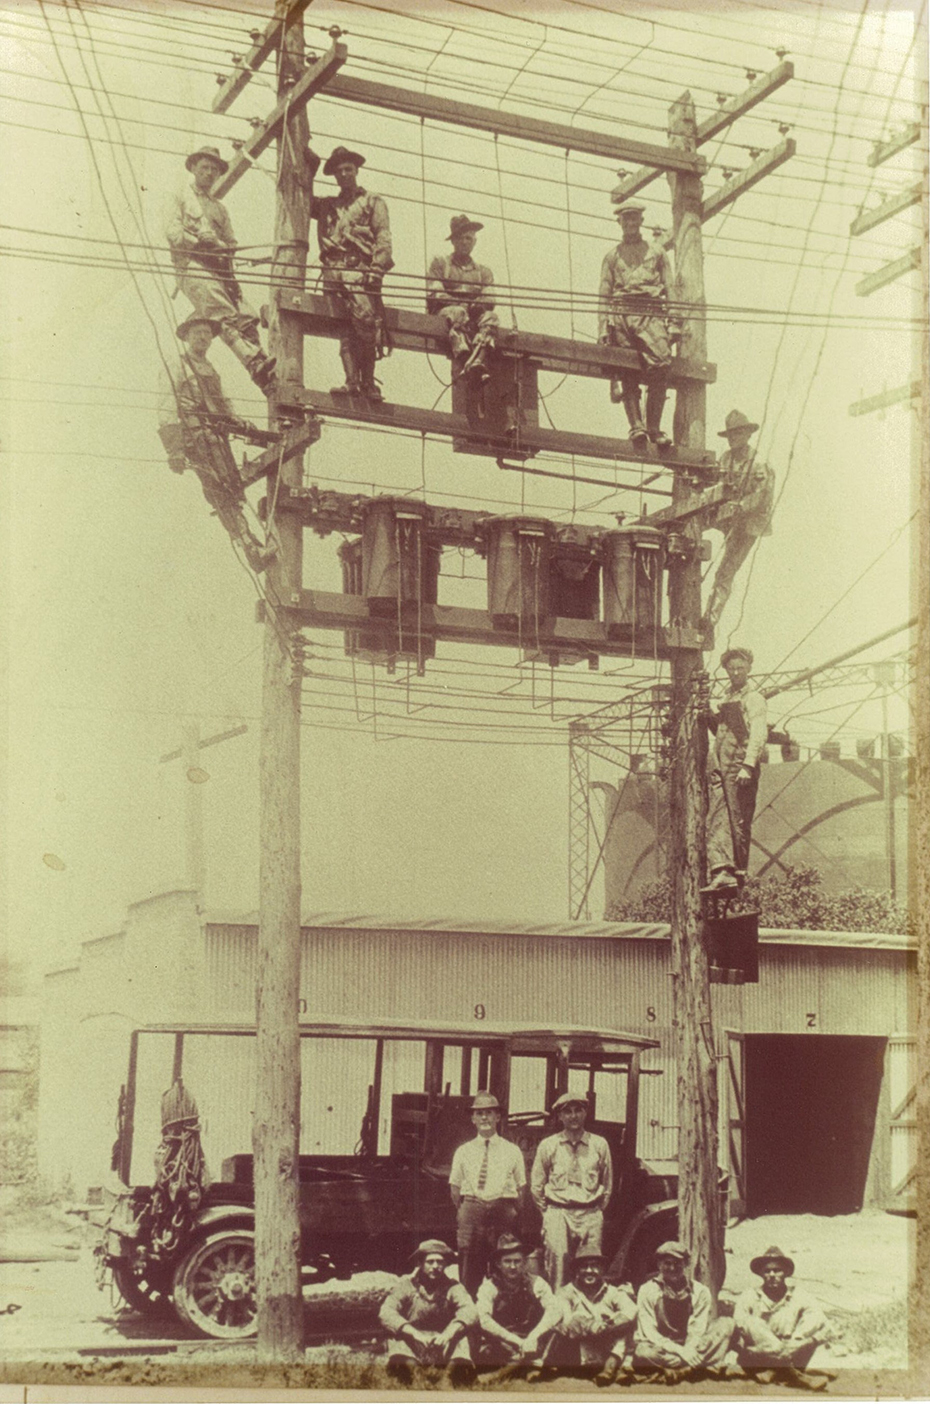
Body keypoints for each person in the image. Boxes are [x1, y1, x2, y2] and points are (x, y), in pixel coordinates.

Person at [158, 316, 275, 573]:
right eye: (197, 333)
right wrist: (174, 449)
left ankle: (252, 547)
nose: (202, 337)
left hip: (217, 438)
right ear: (187, 337)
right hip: (196, 437)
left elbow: (223, 402)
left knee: (231, 489)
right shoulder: (178, 364)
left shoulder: (211, 368)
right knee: (220, 491)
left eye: (207, 334)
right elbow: (166, 404)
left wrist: (240, 422)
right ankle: (251, 547)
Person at [166, 146, 275, 393]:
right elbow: (173, 233)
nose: (209, 173)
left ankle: (265, 375)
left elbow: (231, 242)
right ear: (193, 168)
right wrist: (202, 243)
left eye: (214, 169)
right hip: (191, 266)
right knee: (221, 313)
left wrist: (224, 249)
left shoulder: (219, 208)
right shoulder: (180, 197)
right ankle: (253, 361)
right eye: (205, 167)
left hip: (220, 270)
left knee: (246, 317)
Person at [304, 144, 393, 401]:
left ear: (356, 170)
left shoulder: (372, 201)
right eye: (339, 171)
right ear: (333, 175)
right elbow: (302, 198)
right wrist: (309, 168)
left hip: (358, 270)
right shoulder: (328, 205)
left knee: (365, 320)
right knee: (344, 327)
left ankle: (368, 382)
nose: (344, 174)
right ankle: (352, 381)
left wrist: (377, 268)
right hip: (333, 271)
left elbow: (383, 237)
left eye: (348, 169)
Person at [598, 200, 681, 453]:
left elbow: (670, 287)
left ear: (641, 222)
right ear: (619, 223)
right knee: (627, 371)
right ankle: (636, 425)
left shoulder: (656, 252)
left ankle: (653, 427)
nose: (630, 223)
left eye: (635, 218)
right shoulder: (612, 257)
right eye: (626, 219)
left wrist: (674, 322)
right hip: (621, 315)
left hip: (650, 314)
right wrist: (603, 328)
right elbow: (603, 294)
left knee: (661, 365)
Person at [702, 411, 776, 633]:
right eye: (730, 434)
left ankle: (710, 619)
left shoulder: (759, 463)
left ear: (747, 434)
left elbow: (763, 496)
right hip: (727, 517)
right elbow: (715, 481)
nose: (733, 438)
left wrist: (741, 506)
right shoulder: (726, 458)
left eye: (737, 433)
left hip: (748, 524)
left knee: (725, 572)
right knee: (689, 525)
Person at [530, 1092, 612, 1290]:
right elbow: (536, 1185)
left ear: (585, 1114)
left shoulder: (599, 1144)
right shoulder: (549, 1145)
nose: (573, 1116)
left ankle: (588, 1313)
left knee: (590, 1266)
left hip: (590, 1213)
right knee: (557, 1266)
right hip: (559, 1213)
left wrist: (596, 1209)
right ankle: (560, 1316)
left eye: (578, 1111)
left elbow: (607, 1183)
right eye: (568, 1112)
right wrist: (549, 1212)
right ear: (560, 1116)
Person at [448, 1091, 527, 1298]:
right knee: (469, 1267)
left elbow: (521, 1188)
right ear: (473, 1119)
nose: (484, 1118)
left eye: (489, 1113)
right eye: (479, 1113)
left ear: (498, 1117)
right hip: (472, 1211)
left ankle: (501, 1314)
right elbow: (455, 1189)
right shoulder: (463, 1151)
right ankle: (470, 1317)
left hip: (502, 1212)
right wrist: (471, 1208)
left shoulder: (512, 1150)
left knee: (505, 1264)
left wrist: (507, 1210)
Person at [705, 646, 768, 892]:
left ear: (749, 668)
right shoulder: (726, 698)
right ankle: (722, 870)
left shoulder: (753, 698)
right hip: (722, 765)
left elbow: (759, 733)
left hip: (739, 768)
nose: (736, 672)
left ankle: (731, 872)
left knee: (737, 819)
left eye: (740, 668)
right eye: (731, 669)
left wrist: (748, 766)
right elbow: (720, 731)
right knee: (718, 817)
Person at [378, 1239, 476, 1386]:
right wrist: (414, 1333)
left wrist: (447, 1334)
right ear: (420, 1263)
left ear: (446, 1264)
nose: (435, 1266)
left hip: (442, 1343)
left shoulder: (453, 1287)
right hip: (414, 1343)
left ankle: (448, 1377)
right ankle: (414, 1374)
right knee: (396, 1336)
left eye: (440, 1262)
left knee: (462, 1336)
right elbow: (386, 1312)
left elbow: (470, 1311)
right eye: (430, 1262)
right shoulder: (406, 1286)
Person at [633, 1241, 732, 1381]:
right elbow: (650, 1333)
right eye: (667, 1263)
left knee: (726, 1324)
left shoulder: (700, 1291)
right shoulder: (647, 1290)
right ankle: (693, 1366)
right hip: (662, 1347)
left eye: (678, 1262)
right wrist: (681, 1352)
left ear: (686, 1264)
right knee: (643, 1352)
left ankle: (680, 1369)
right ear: (659, 1265)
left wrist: (688, 1350)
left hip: (691, 1346)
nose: (672, 1268)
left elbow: (697, 1330)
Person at [733, 1246, 830, 1389]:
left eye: (777, 1270)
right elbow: (739, 1324)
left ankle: (774, 1372)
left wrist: (797, 1342)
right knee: (752, 1322)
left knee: (814, 1319)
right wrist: (763, 1349)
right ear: (761, 1273)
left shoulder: (798, 1295)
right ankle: (796, 1376)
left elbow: (819, 1320)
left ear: (785, 1273)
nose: (772, 1274)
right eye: (767, 1271)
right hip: (758, 1359)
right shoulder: (749, 1296)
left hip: (793, 1354)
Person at [474, 1233, 561, 1378]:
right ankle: (527, 1365)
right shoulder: (489, 1287)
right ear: (498, 1264)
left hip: (532, 1339)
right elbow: (483, 1319)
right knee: (481, 1339)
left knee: (559, 1330)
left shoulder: (537, 1283)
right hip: (505, 1340)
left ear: (525, 1263)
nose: (513, 1266)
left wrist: (533, 1336)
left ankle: (517, 1366)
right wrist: (517, 1342)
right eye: (507, 1261)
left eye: (517, 1261)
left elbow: (555, 1310)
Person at [427, 215, 499, 385]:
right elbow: (435, 293)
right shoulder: (440, 263)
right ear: (453, 241)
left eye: (468, 238)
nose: (464, 242)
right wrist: (463, 304)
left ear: (474, 241)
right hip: (447, 314)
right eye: (460, 238)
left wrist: (479, 305)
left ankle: (477, 360)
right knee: (458, 312)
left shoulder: (484, 272)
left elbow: (490, 297)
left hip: (474, 316)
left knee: (492, 318)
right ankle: (464, 357)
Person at [551, 1250, 637, 1385]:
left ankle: (610, 1367)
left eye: (595, 1266)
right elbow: (567, 1322)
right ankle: (615, 1367)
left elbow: (631, 1310)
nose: (589, 1271)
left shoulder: (612, 1292)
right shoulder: (566, 1293)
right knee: (578, 1317)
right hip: (578, 1354)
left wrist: (607, 1326)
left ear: (603, 1269)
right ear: (577, 1270)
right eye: (584, 1266)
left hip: (606, 1348)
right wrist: (592, 1326)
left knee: (626, 1322)